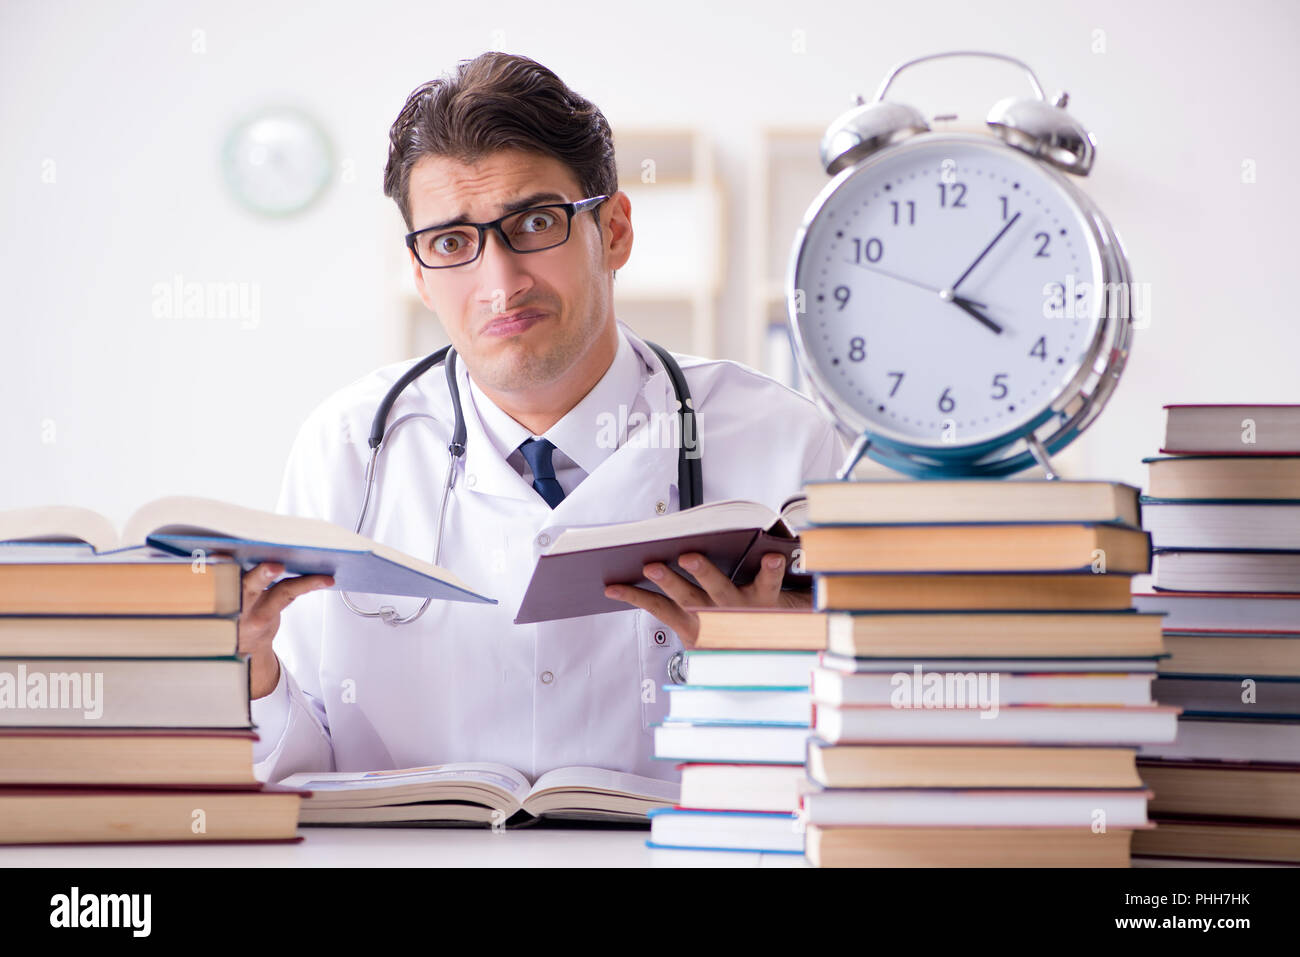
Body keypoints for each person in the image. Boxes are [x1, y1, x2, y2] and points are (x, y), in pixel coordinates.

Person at [239, 51, 848, 785]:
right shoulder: (344, 450)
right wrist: (252, 668)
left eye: (534, 222)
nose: (501, 283)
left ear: (615, 231)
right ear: (421, 273)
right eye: (453, 242)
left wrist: (784, 672)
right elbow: (302, 766)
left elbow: (867, 749)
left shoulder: (786, 444)